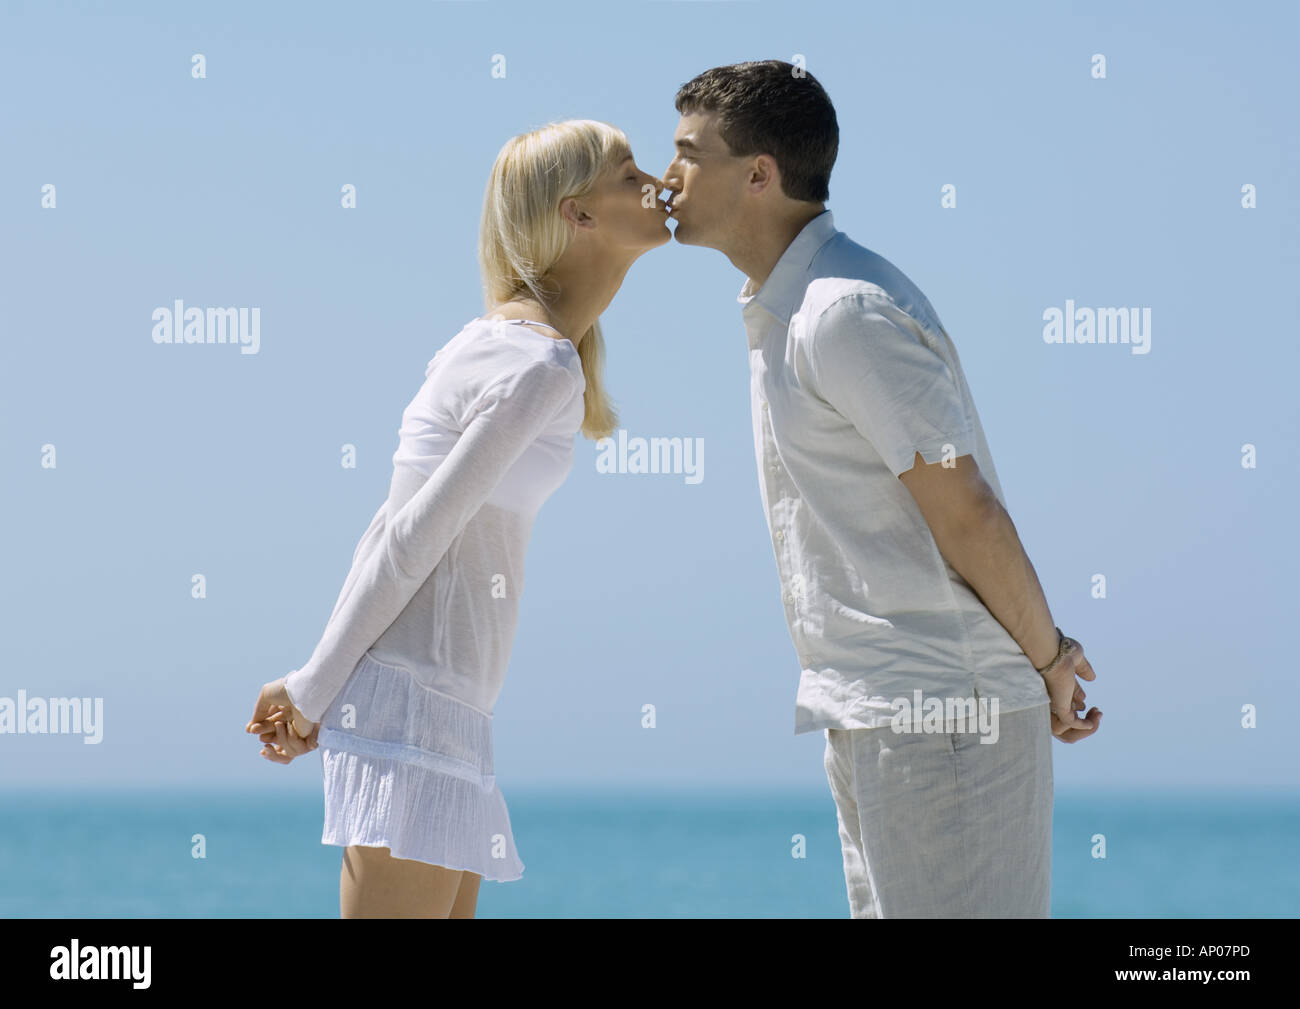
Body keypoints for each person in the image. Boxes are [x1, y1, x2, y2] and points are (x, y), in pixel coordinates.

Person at [658, 60, 1102, 918]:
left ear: (759, 174)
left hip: (948, 713)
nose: (664, 175)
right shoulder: (785, 306)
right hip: (880, 709)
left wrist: (1050, 659)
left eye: (686, 152)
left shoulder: (841, 312)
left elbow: (963, 505)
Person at [244, 119, 671, 918]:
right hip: (413, 706)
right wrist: (312, 688)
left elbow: (392, 528)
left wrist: (318, 680)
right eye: (628, 172)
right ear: (578, 213)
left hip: (444, 709)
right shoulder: (535, 364)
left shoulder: (515, 349)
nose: (655, 182)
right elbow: (409, 538)